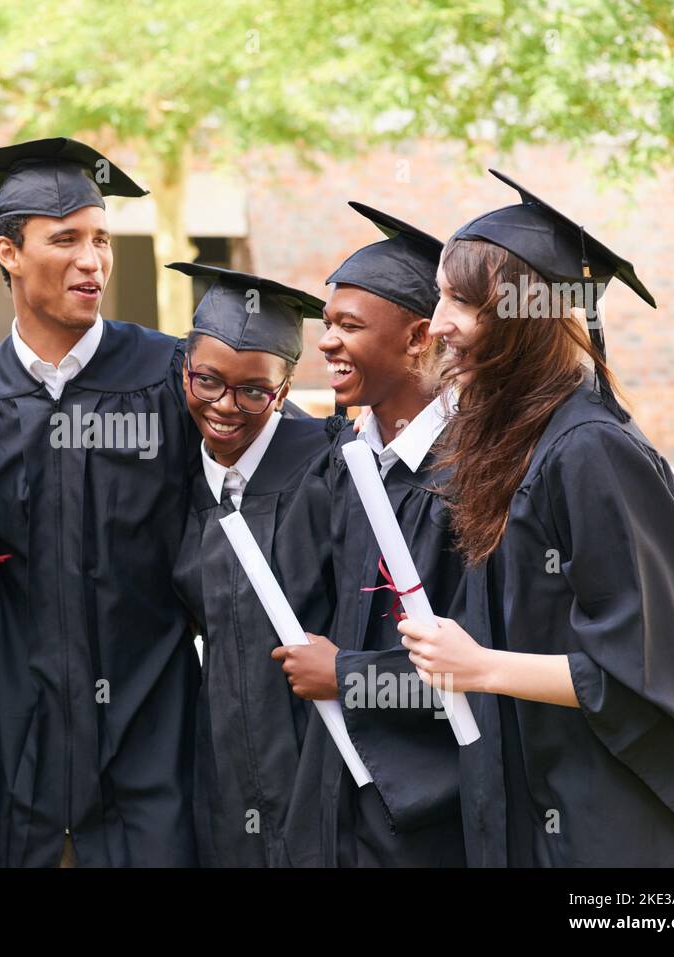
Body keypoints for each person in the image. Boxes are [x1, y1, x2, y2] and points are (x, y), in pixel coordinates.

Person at [397, 170, 674, 866]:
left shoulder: (590, 450)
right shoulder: (524, 443)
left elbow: (646, 669)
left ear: (521, 320)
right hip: (540, 805)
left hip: (606, 830)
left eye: (460, 302)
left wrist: (479, 666)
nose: (436, 323)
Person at [0, 137, 203, 867]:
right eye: (67, 239)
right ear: (9, 252)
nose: (94, 261)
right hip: (15, 732)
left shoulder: (169, 377)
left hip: (151, 728)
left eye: (102, 239)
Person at [274, 203, 472, 866]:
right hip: (338, 803)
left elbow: (487, 665)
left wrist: (347, 676)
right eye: (326, 324)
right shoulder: (348, 462)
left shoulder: (473, 474)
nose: (326, 341)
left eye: (348, 325)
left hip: (432, 816)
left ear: (419, 337)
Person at [166, 262, 336, 867]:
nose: (225, 407)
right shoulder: (175, 478)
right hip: (222, 760)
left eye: (254, 391)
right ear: (184, 368)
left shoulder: (331, 468)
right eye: (206, 381)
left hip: (320, 754)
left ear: (284, 389)